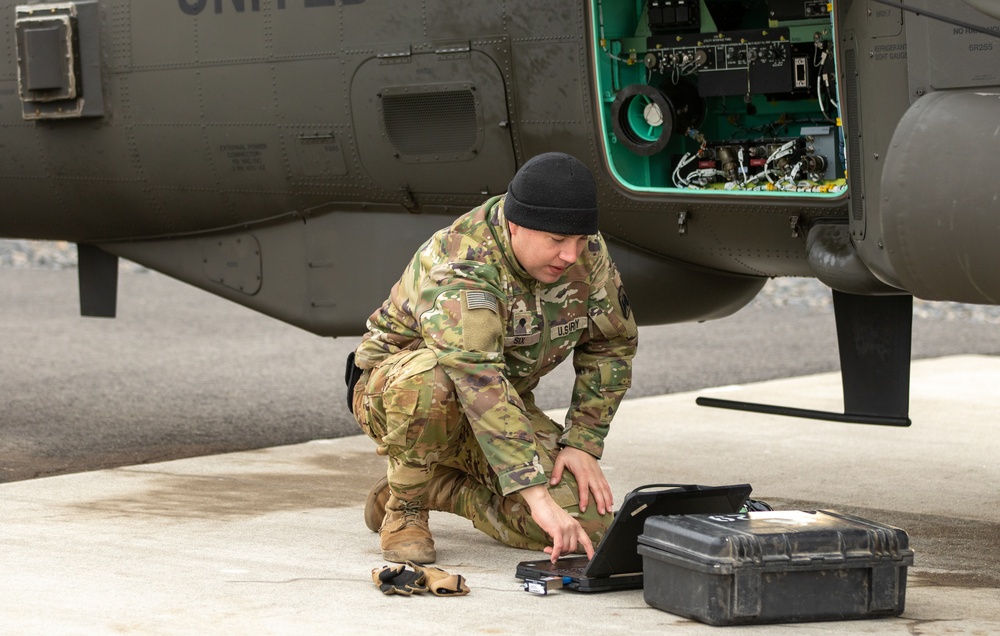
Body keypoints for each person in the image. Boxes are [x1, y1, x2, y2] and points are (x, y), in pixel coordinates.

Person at [349, 152, 638, 565]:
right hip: (400, 400)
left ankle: (443, 488)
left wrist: (583, 442)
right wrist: (534, 493)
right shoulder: (462, 262)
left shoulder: (584, 251)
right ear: (515, 225)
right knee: (435, 380)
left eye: (579, 240)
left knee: (587, 526)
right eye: (557, 242)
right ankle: (406, 506)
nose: (572, 255)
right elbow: (477, 377)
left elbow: (612, 343)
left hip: (497, 405)